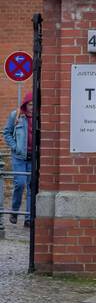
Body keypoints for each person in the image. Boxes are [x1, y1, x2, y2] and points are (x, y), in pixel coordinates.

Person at [3, 93, 33, 226]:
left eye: (34, 104)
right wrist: (15, 147)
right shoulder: (16, 116)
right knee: (20, 184)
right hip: (19, 157)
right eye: (30, 104)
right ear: (25, 104)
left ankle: (28, 218)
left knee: (32, 188)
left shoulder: (40, 116)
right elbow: (7, 133)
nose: (32, 107)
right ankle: (14, 211)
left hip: (34, 158)